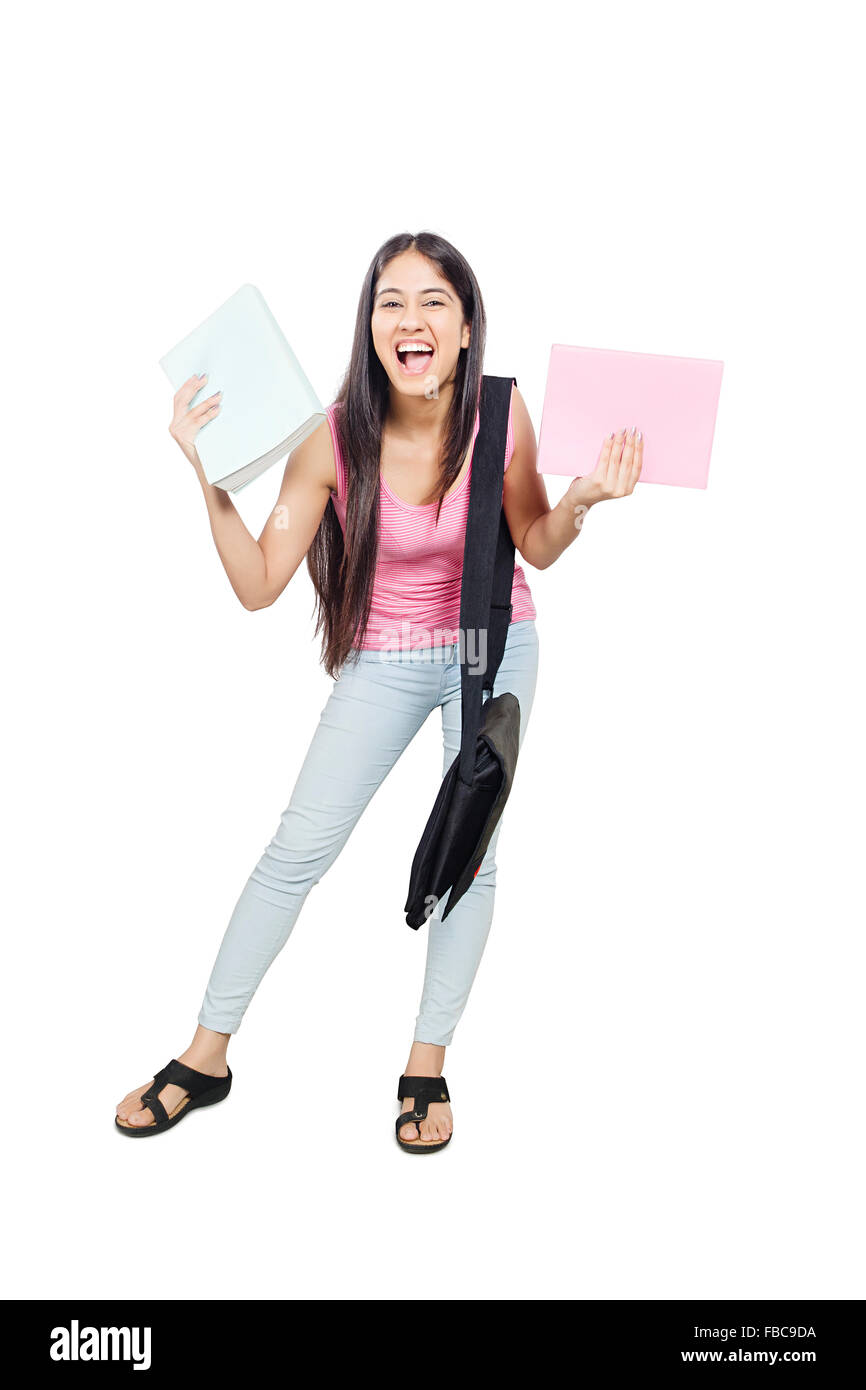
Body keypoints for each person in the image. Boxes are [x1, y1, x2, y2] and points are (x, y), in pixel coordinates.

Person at [115, 230, 643, 1149]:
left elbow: (536, 543)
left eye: (435, 301)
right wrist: (208, 479)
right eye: (391, 301)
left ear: (468, 328)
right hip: (388, 652)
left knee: (469, 853)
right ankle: (205, 1056)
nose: (412, 319)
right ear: (369, 328)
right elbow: (257, 586)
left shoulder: (502, 415)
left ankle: (425, 1065)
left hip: (493, 643)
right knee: (296, 851)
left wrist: (584, 498)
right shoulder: (329, 441)